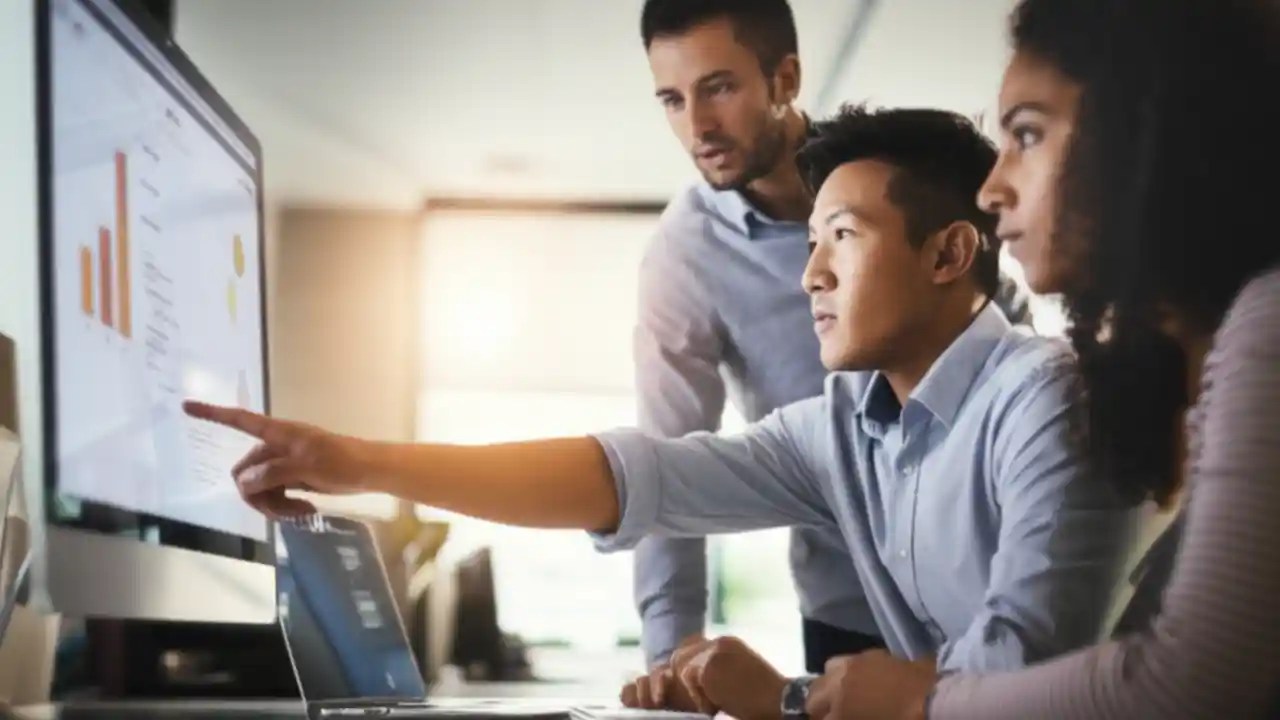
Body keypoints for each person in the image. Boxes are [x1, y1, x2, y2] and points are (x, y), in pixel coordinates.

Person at [184, 107, 1139, 716]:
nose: (811, 274)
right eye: (812, 241)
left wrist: (790, 703)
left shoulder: (1047, 398)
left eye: (842, 238)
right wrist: (359, 463)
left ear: (948, 255)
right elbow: (633, 474)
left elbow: (1019, 681)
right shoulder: (846, 424)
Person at [756, 0, 1280, 718]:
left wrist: (920, 702)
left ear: (1150, 140)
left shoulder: (1266, 324)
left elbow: (1191, 683)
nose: (991, 189)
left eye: (1028, 134)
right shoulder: (1205, 366)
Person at [632, 0, 1030, 674]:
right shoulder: (685, 254)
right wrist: (673, 655)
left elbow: (1000, 342)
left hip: (983, 588)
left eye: (718, 88)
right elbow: (669, 466)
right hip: (848, 605)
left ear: (784, 80)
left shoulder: (897, 176)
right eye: (672, 100)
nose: (696, 125)